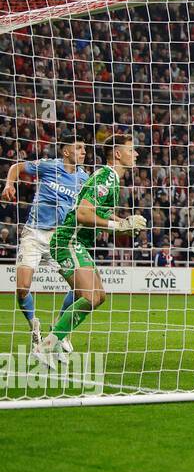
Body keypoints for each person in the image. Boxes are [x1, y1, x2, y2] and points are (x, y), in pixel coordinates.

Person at [38, 135, 147, 368]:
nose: (136, 154)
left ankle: (56, 340)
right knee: (89, 296)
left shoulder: (113, 180)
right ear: (117, 154)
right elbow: (82, 214)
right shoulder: (106, 177)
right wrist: (117, 226)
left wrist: (124, 223)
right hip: (68, 241)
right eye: (131, 150)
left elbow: (101, 215)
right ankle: (47, 344)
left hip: (78, 243)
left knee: (98, 297)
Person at [3, 139, 88, 348]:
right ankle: (34, 327)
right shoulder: (50, 166)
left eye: (84, 148)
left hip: (60, 239)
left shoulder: (83, 178)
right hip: (34, 233)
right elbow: (17, 167)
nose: (84, 152)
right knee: (22, 288)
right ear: (66, 151)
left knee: (81, 290)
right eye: (78, 148)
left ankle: (59, 330)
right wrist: (9, 184)